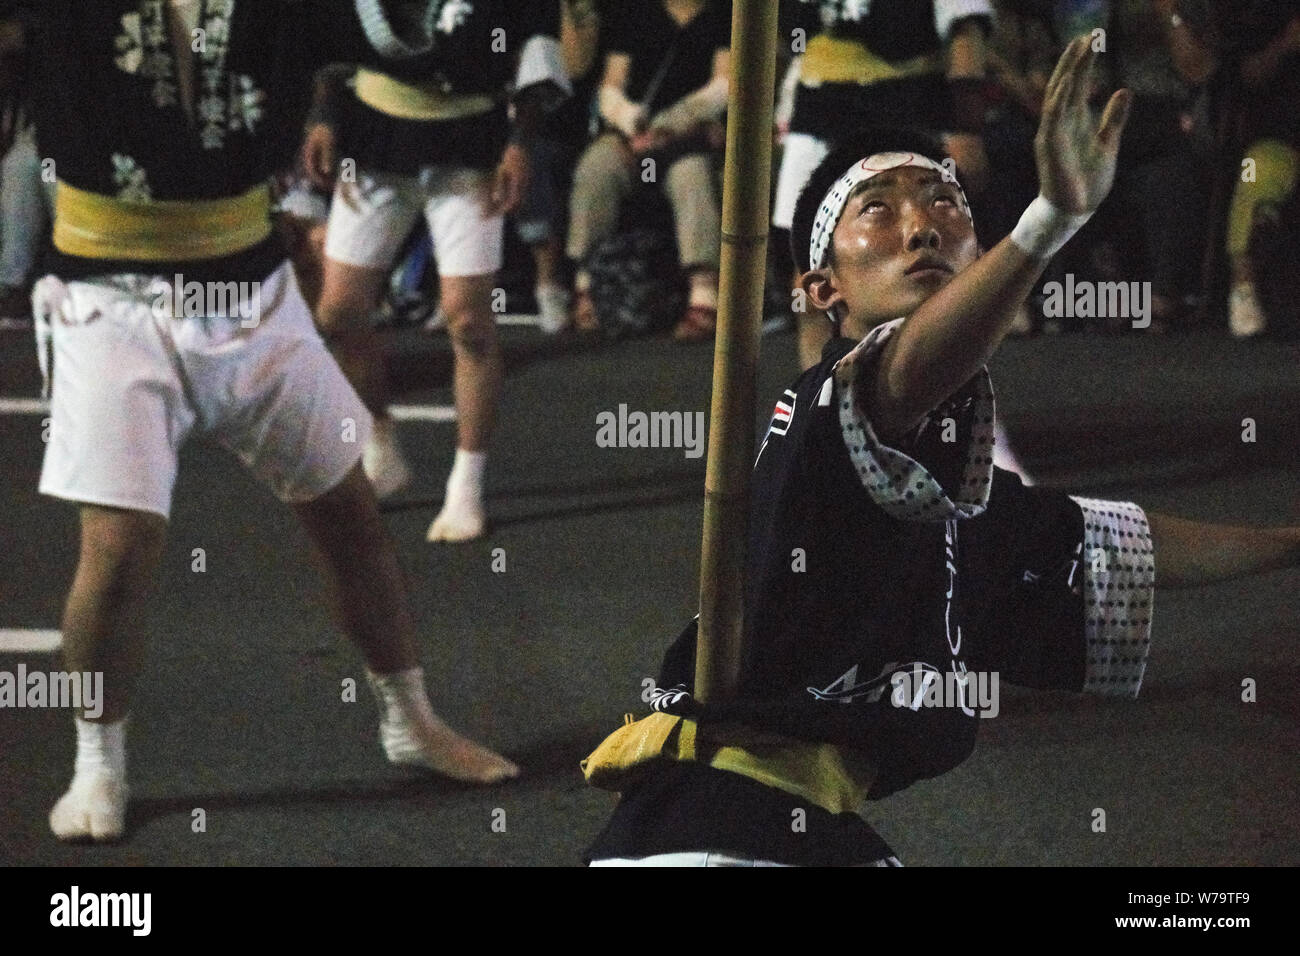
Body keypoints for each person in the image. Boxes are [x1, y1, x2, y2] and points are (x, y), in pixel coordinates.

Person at [582, 37, 1300, 866]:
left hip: (788, 824)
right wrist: (1050, 224)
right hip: (717, 830)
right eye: (877, 210)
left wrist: (1289, 546)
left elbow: (1124, 546)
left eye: (942, 202)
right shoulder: (829, 411)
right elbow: (904, 369)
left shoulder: (954, 489)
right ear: (823, 291)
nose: (920, 224)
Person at [28, 0, 522, 844]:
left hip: (254, 296)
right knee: (116, 549)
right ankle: (96, 761)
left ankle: (409, 718)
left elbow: (390, 28)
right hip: (108, 297)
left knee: (349, 510)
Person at [303, 4, 570, 537]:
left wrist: (520, 144)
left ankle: (465, 483)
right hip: (375, 134)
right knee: (338, 312)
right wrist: (325, 116)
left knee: (469, 321)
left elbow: (537, 48)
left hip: (473, 139)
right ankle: (378, 441)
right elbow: (332, 36)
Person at [772, 0, 995, 371]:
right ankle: (822, 408)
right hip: (819, 108)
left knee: (927, 275)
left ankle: (946, 409)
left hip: (909, 107)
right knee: (810, 286)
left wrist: (966, 128)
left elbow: (965, 31)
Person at [566, 0, 732, 341]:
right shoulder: (635, 13)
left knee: (691, 175)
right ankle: (587, 284)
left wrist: (675, 121)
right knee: (596, 168)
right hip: (635, 134)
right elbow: (611, 85)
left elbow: (724, 85)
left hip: (690, 134)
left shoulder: (724, 14)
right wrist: (629, 120)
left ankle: (704, 293)